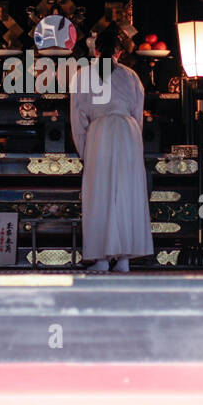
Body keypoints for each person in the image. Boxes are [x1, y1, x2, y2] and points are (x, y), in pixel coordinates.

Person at [69, 27, 154, 273]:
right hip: (127, 132)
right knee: (127, 192)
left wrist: (85, 150)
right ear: (119, 52)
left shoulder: (84, 75)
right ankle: (125, 259)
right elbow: (138, 114)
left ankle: (102, 259)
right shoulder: (131, 76)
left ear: (95, 50)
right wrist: (134, 141)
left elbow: (78, 118)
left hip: (100, 132)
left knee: (101, 193)